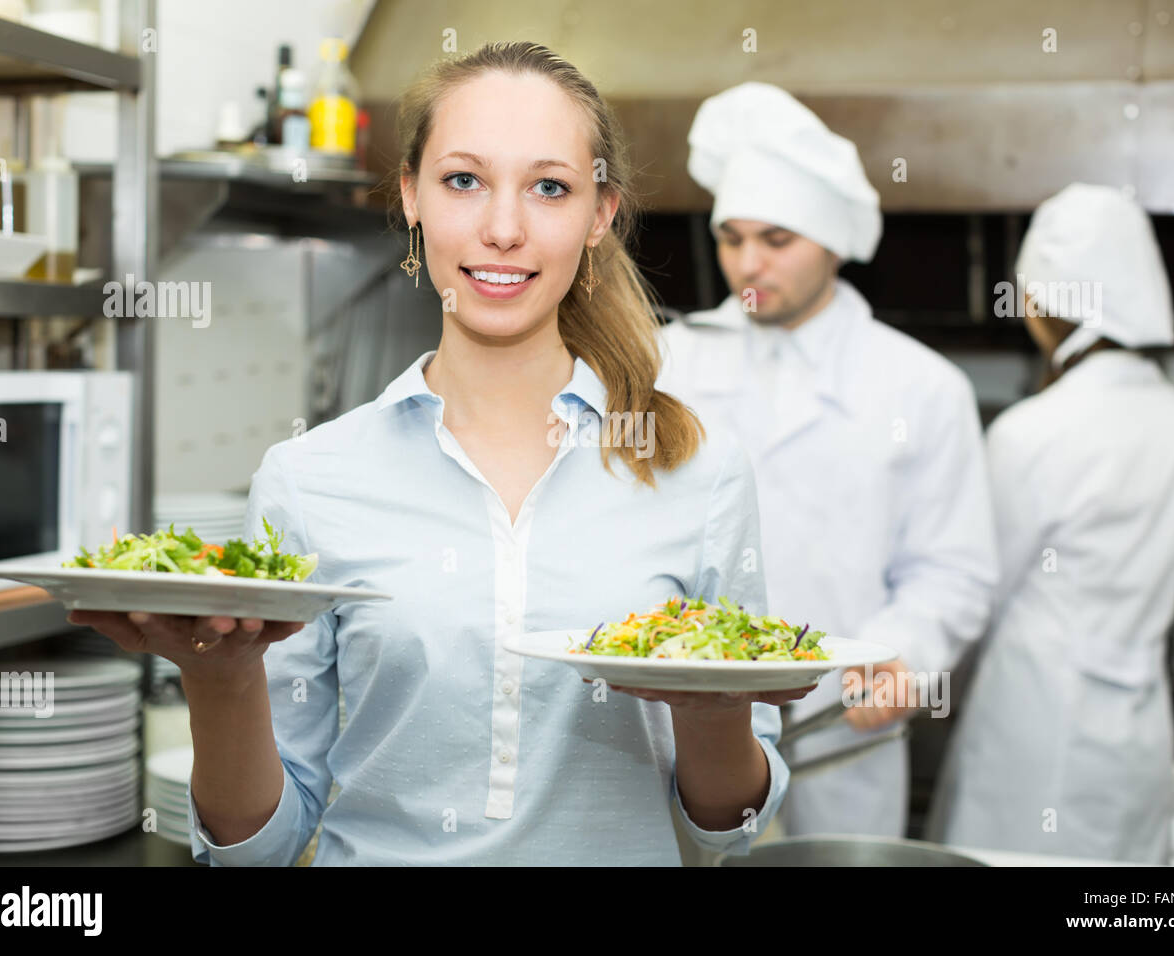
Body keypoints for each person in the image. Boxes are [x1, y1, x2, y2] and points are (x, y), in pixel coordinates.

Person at [69, 42, 812, 865]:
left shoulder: (699, 475)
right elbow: (259, 850)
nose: (503, 229)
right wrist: (218, 676)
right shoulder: (310, 480)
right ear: (411, 195)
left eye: (550, 188)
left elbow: (726, 827)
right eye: (464, 180)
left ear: (600, 215)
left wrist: (711, 712)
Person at [656, 82, 999, 839]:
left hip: (841, 728)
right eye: (730, 237)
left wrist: (905, 654)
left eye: (777, 240)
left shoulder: (922, 386)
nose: (748, 264)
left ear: (834, 242)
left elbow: (954, 569)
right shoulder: (666, 363)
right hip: (689, 725)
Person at [924, 183, 1174, 863]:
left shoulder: (1032, 432)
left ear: (1042, 303)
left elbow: (977, 588)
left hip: (1030, 723)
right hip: (1139, 729)